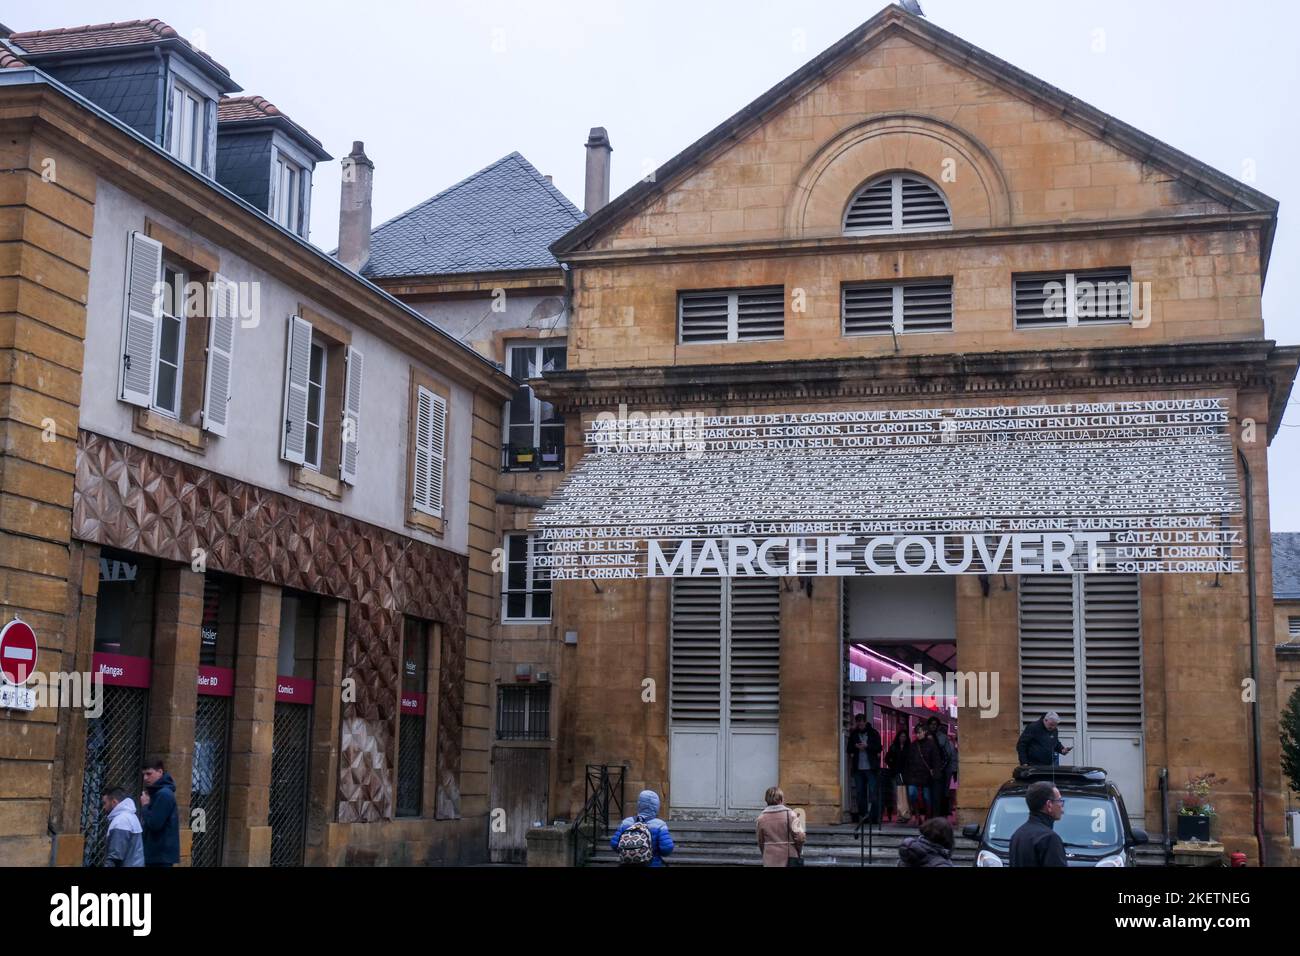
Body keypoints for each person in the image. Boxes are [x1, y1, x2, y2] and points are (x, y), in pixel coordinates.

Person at [1008, 781, 1068, 867]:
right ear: (1049, 805)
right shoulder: (1049, 838)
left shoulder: (1017, 835)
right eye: (1059, 800)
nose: (1062, 806)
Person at [610, 789, 675, 867]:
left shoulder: (626, 822)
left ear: (639, 804)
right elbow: (667, 848)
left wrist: (630, 852)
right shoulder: (660, 825)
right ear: (656, 806)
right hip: (652, 864)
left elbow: (614, 844)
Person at [139, 759, 179, 868]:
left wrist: (145, 806)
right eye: (144, 774)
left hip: (160, 855)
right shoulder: (159, 792)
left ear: (160, 772)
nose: (145, 778)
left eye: (149, 774)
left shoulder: (164, 794)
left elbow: (155, 824)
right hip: (157, 854)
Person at [845, 712, 882, 824]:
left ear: (865, 722)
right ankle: (864, 815)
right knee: (860, 793)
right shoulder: (854, 734)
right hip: (858, 768)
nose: (860, 723)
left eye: (862, 721)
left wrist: (867, 746)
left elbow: (879, 748)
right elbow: (849, 749)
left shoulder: (873, 733)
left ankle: (874, 817)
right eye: (858, 721)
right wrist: (855, 747)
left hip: (871, 768)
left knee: (873, 792)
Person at [755, 786, 806, 866]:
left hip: (770, 859)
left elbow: (760, 841)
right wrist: (798, 850)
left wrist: (765, 852)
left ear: (766, 800)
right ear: (781, 799)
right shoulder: (791, 814)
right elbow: (800, 837)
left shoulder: (761, 818)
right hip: (789, 858)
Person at [902, 724, 940, 824]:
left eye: (919, 732)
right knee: (912, 794)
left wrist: (934, 771)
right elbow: (908, 761)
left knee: (927, 797)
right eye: (917, 732)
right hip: (913, 774)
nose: (918, 735)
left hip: (926, 775)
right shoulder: (913, 745)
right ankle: (918, 814)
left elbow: (936, 760)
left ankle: (927, 816)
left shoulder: (931, 745)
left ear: (924, 732)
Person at [101, 787, 144, 867]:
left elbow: (115, 857)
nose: (104, 807)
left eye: (105, 803)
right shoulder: (131, 816)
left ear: (114, 802)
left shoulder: (120, 821)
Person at [926, 717, 957, 819]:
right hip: (929, 770)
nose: (933, 726)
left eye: (935, 724)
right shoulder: (926, 736)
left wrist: (942, 768)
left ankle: (938, 814)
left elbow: (947, 755)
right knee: (931, 793)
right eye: (931, 724)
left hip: (941, 770)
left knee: (940, 793)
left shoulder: (943, 738)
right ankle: (933, 814)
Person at [884, 723, 911, 822]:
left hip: (906, 773)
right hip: (897, 773)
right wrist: (893, 767)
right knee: (899, 793)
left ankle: (905, 813)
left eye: (904, 736)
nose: (902, 738)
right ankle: (902, 814)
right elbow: (886, 758)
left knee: (905, 794)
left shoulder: (909, 747)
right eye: (901, 736)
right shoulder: (894, 747)